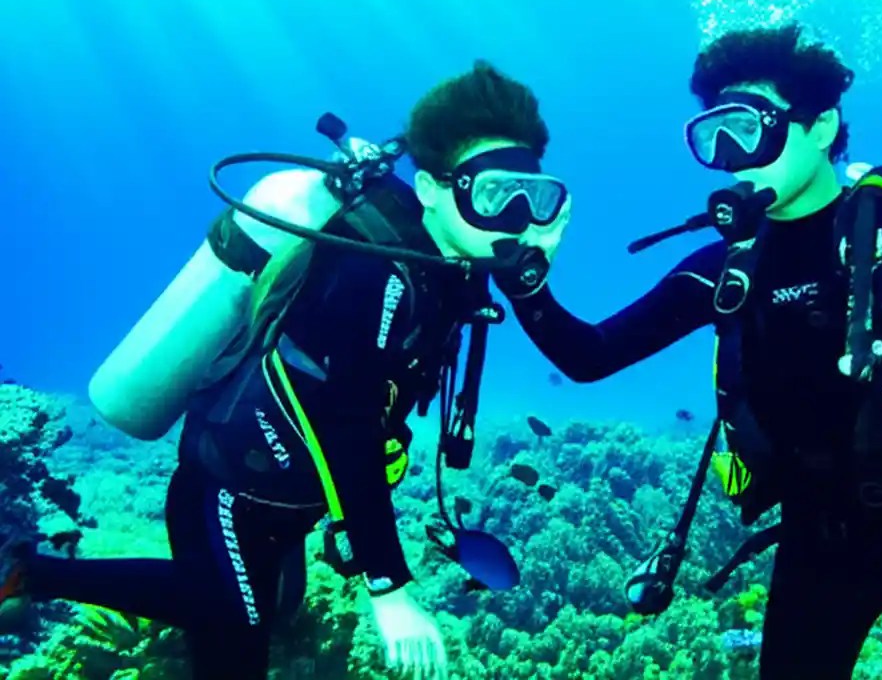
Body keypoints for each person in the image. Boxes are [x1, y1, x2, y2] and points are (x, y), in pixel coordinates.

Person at [493, 24, 882, 680]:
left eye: (750, 127)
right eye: (713, 137)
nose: (733, 155)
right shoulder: (724, 270)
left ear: (821, 128)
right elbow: (590, 357)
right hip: (811, 545)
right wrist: (528, 287)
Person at [0, 60, 571, 680]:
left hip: (290, 499)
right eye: (493, 194)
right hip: (230, 488)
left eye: (535, 197)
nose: (518, 218)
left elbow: (585, 357)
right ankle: (31, 572)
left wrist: (538, 268)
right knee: (235, 649)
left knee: (255, 608)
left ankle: (32, 571)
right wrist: (389, 589)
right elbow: (344, 416)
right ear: (431, 188)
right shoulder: (375, 266)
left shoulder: (447, 274)